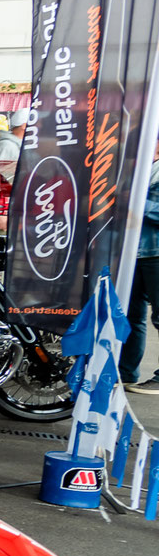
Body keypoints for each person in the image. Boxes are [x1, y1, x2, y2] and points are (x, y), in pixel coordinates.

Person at [124, 141, 159, 393]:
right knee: (131, 315)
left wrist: (134, 201)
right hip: (132, 254)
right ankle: (126, 372)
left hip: (155, 253)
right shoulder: (137, 169)